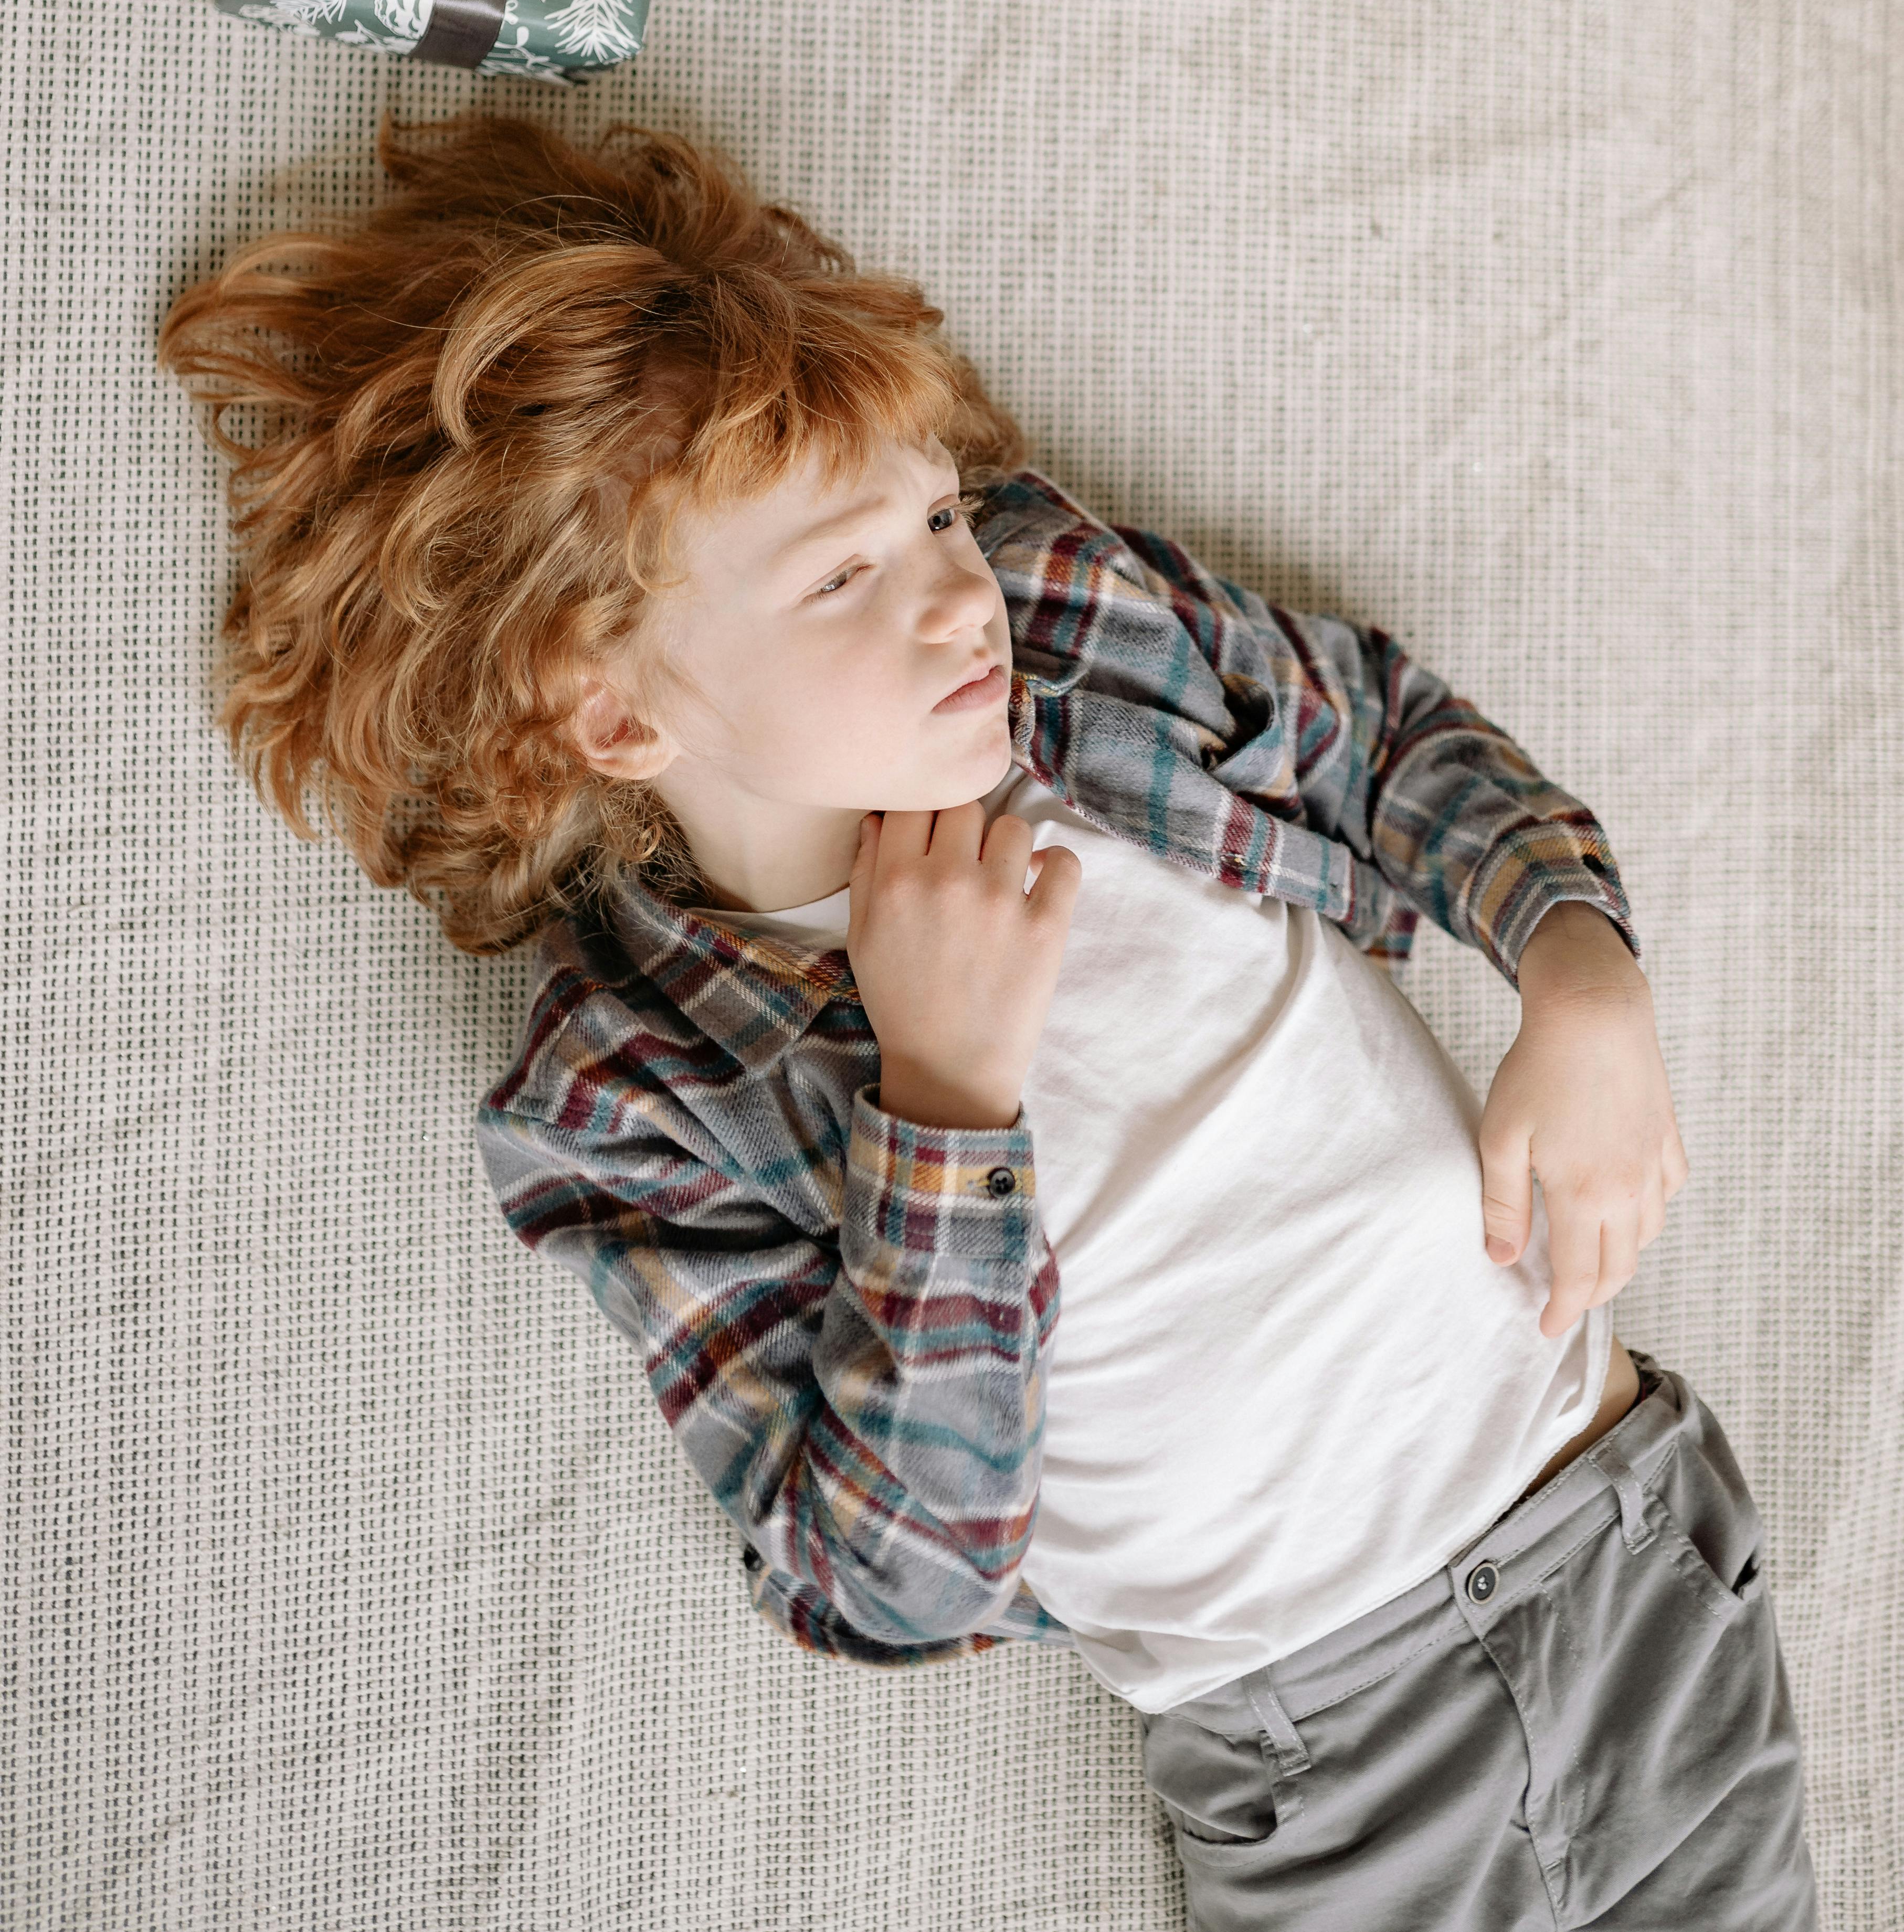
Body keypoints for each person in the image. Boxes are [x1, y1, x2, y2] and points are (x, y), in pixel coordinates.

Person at [157, 107, 1817, 1929]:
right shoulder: (631, 1093)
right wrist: (942, 1099)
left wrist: (1579, 966)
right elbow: (885, 1584)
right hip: (1329, 1742)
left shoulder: (1060, 623)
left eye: (932, 506)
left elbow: (1380, 738)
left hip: (1623, 1538)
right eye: (844, 575)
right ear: (615, 715)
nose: (956, 592)